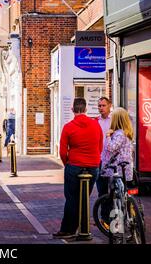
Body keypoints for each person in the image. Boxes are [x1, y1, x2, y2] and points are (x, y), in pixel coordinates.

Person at [53, 98, 103, 239]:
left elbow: (63, 152)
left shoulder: (68, 127)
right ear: (86, 109)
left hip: (74, 165)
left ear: (72, 110)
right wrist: (94, 160)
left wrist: (67, 164)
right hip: (93, 166)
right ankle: (83, 229)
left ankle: (68, 229)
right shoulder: (96, 125)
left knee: (72, 199)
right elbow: (100, 146)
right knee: (84, 198)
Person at [98, 107, 135, 229]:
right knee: (122, 194)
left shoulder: (119, 133)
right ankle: (129, 216)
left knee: (116, 197)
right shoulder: (127, 132)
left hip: (118, 170)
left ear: (116, 119)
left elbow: (111, 148)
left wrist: (108, 136)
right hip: (125, 169)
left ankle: (117, 223)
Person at [96, 97, 113, 198]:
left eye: (103, 105)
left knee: (113, 189)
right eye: (99, 106)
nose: (101, 108)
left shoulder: (114, 120)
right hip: (100, 159)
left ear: (109, 105)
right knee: (101, 190)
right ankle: (104, 213)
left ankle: (114, 212)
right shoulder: (96, 121)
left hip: (112, 158)